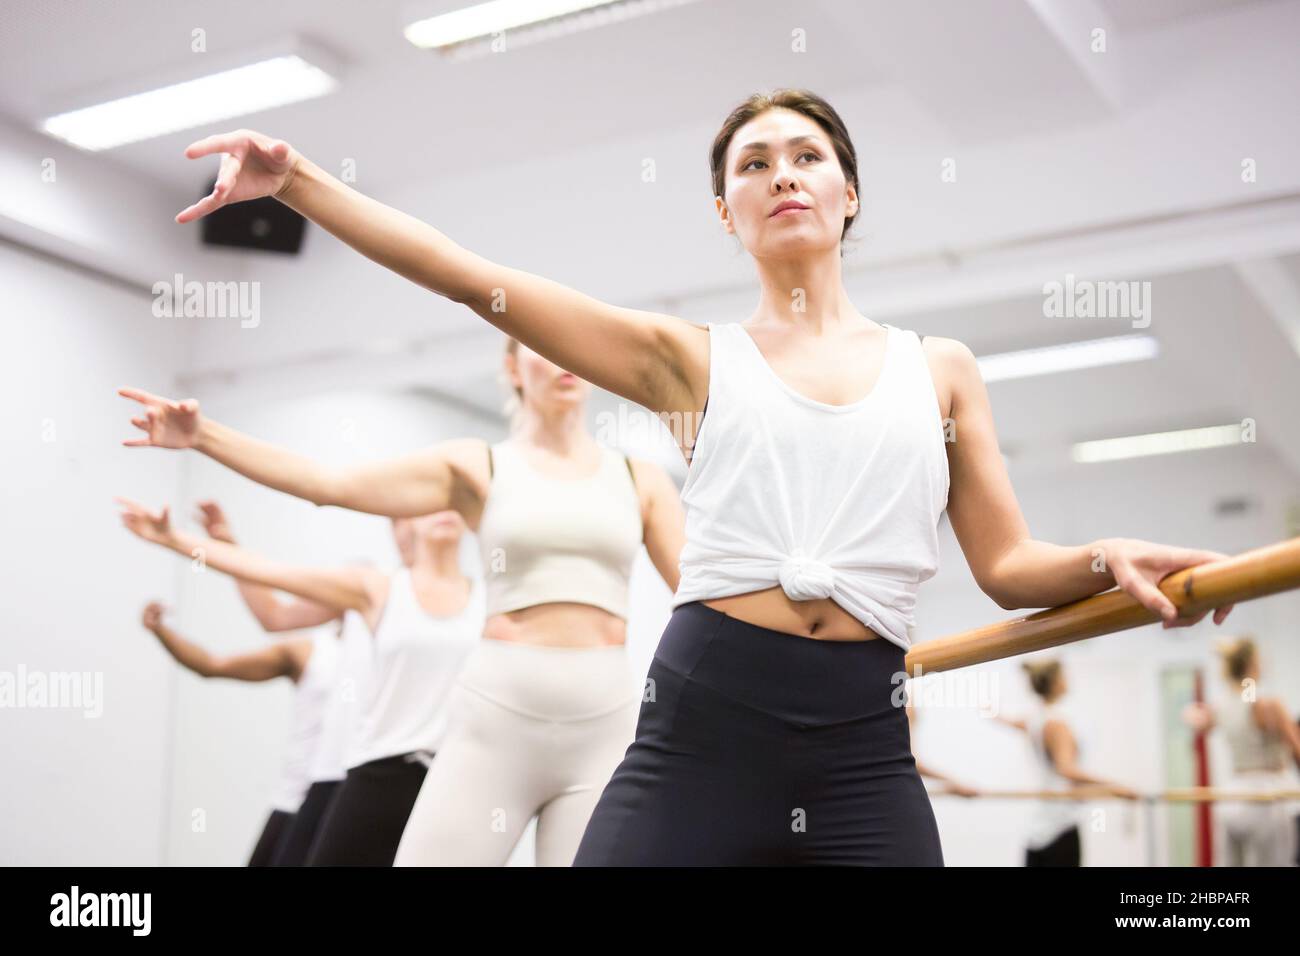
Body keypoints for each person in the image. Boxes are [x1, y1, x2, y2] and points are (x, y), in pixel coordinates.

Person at [145, 87, 1234, 865]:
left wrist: (1103, 556)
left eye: (804, 155)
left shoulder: (937, 370)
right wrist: (301, 184)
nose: (780, 174)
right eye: (751, 166)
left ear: (849, 191)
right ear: (729, 215)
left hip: (860, 734)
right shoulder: (691, 360)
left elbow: (1004, 563)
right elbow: (471, 278)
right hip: (703, 717)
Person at [118, 500, 481, 865]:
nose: (410, 526)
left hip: (429, 777)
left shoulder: (476, 601)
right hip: (347, 772)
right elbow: (274, 611)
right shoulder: (371, 588)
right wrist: (212, 544)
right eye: (401, 517)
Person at [136, 601, 336, 866]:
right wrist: (161, 630)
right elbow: (213, 664)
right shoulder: (310, 651)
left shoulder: (392, 655)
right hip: (295, 797)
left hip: (348, 803)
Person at [997, 659, 1138, 866]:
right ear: (1054, 683)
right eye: (1063, 676)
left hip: (1041, 823)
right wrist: (1114, 786)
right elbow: (1066, 769)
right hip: (1060, 823)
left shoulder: (1035, 719)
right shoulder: (1056, 723)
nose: (1067, 680)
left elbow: (1012, 723)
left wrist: (991, 712)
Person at [1183, 637, 1300, 866]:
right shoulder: (1268, 706)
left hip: (1232, 797)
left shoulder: (1221, 706)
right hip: (1267, 797)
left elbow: (1194, 719)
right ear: (1252, 665)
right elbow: (1297, 749)